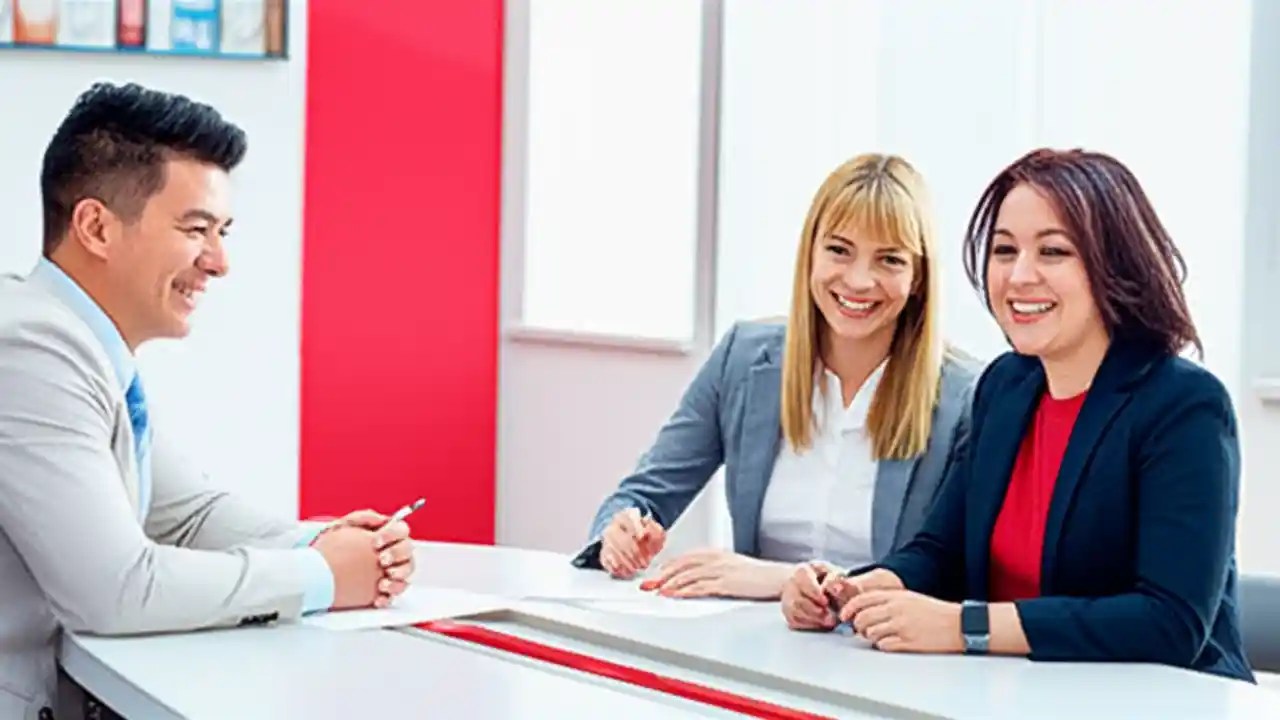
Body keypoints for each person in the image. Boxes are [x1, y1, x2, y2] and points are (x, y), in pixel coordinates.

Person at [0, 82, 419, 719]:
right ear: (96, 227)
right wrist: (323, 578)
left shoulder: (83, 344)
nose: (219, 262)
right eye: (197, 229)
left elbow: (185, 515)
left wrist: (325, 543)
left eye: (222, 231)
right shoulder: (28, 346)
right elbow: (115, 589)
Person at [781, 148, 1255, 683]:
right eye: (1004, 251)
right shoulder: (1005, 386)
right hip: (1020, 696)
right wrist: (858, 588)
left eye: (1053, 252)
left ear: (1113, 265)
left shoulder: (1183, 405)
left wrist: (966, 628)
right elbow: (941, 551)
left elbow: (1171, 622)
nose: (1019, 275)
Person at [571, 153, 981, 600]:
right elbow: (645, 493)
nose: (859, 280)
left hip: (884, 654)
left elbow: (948, 576)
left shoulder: (966, 398)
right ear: (810, 254)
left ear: (918, 276)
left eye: (889, 260)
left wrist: (783, 580)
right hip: (756, 644)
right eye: (839, 250)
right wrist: (621, 534)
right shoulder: (743, 360)